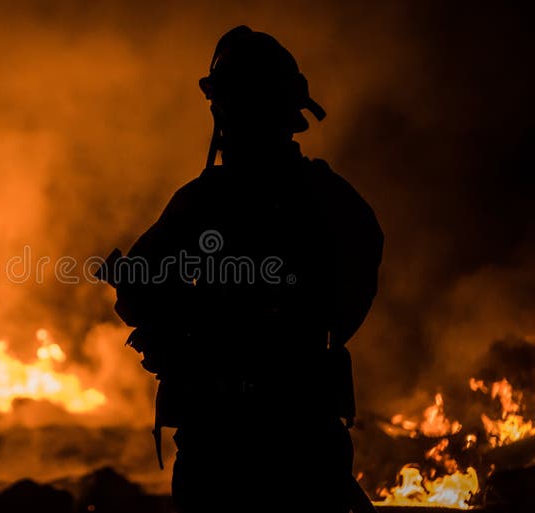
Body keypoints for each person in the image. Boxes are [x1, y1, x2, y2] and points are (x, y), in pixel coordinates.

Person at [111, 26, 383, 513]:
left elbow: (135, 290)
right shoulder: (329, 196)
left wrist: (187, 330)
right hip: (298, 437)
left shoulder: (205, 200)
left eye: (228, 103)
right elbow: (359, 275)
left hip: (227, 444)